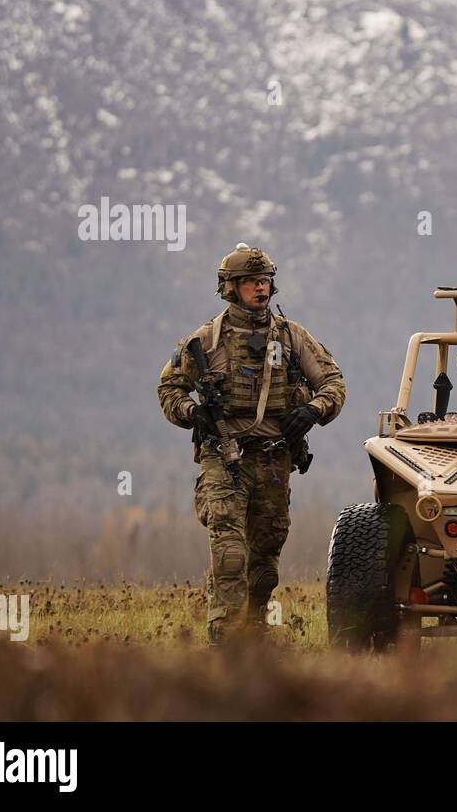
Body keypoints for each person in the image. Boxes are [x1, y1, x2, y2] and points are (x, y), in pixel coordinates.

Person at [158, 243, 346, 644]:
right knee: (230, 554)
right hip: (224, 458)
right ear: (231, 288)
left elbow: (333, 382)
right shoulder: (205, 341)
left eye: (265, 282)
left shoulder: (293, 338)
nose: (261, 290)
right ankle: (225, 641)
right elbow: (170, 388)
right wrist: (193, 413)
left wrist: (313, 411)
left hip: (275, 461)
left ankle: (253, 631)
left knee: (265, 561)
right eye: (251, 283)